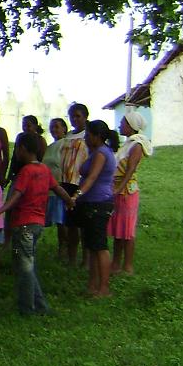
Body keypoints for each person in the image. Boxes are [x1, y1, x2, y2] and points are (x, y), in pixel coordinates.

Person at [0, 133, 72, 316]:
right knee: (23, 264)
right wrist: (69, 200)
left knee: (25, 268)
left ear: (23, 148)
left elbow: (16, 196)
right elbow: (58, 188)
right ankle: (40, 305)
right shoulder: (44, 170)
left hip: (23, 226)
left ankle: (27, 308)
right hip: (36, 225)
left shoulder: (26, 171)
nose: (15, 152)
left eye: (16, 148)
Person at [74, 119, 117, 298]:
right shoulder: (98, 152)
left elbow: (91, 178)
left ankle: (104, 288)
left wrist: (77, 194)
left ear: (97, 136)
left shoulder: (101, 154)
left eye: (88, 134)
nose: (85, 137)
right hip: (92, 202)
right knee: (91, 245)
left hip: (99, 202)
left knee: (99, 246)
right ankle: (92, 285)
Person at [110, 113, 152, 276]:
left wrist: (119, 188)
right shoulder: (127, 144)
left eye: (122, 123)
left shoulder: (137, 145)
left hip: (127, 191)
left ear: (130, 125)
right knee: (118, 229)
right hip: (119, 189)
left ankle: (127, 266)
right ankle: (116, 263)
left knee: (127, 230)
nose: (120, 126)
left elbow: (130, 169)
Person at [58, 103, 91, 267]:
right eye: (72, 116)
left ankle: (86, 259)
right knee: (70, 224)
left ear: (85, 117)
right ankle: (71, 258)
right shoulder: (68, 136)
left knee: (83, 225)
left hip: (81, 183)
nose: (75, 119)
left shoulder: (89, 135)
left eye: (78, 116)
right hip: (65, 182)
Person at [42, 117, 69, 245]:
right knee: (58, 222)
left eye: (57, 126)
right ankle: (61, 247)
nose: (54, 129)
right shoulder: (50, 147)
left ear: (64, 128)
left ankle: (65, 248)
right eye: (52, 127)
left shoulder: (66, 144)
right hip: (49, 189)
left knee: (62, 222)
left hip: (61, 187)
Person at [7, 115, 45, 183]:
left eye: (28, 126)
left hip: (33, 174)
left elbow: (42, 159)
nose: (25, 128)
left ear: (35, 126)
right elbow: (14, 157)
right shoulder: (20, 136)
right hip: (18, 172)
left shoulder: (40, 140)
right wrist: (10, 174)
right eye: (23, 125)